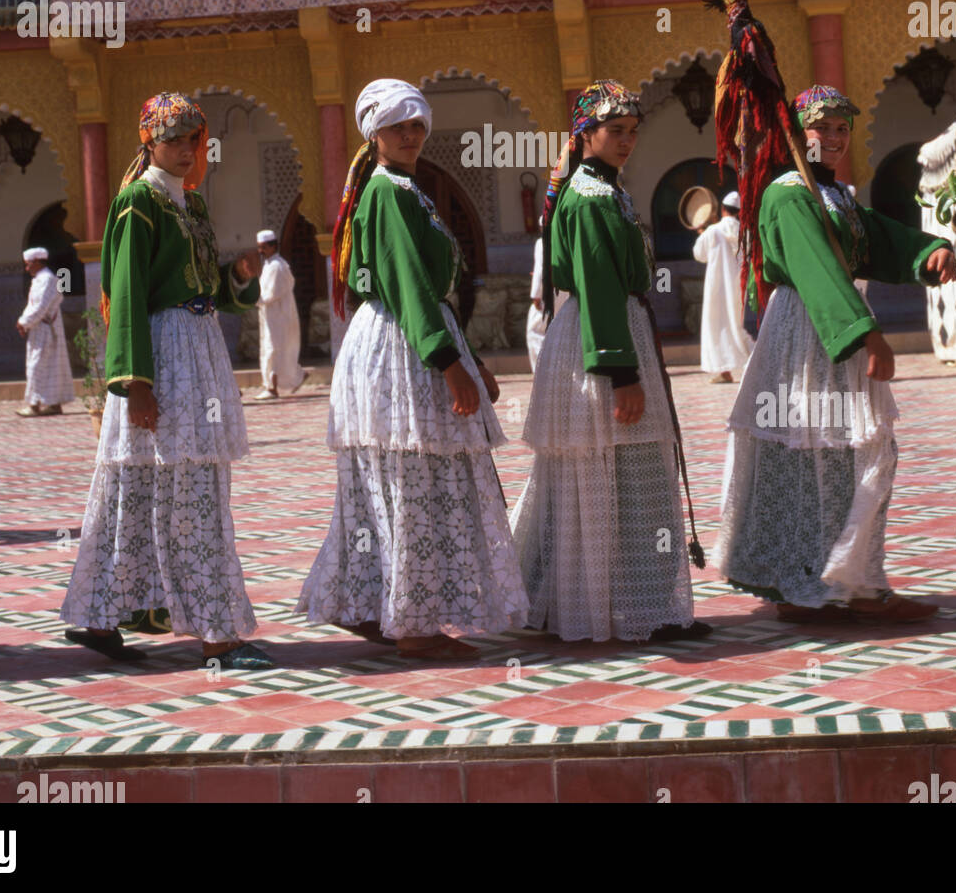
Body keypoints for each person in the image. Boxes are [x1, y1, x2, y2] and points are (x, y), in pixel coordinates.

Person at [298, 79, 528, 660]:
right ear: (374, 132)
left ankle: (375, 606)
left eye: (417, 124)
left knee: (395, 484)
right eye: (398, 125)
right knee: (411, 486)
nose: (410, 134)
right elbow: (408, 286)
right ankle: (415, 626)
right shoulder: (389, 192)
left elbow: (432, 293)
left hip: (409, 340)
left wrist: (467, 358)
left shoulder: (405, 188)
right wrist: (449, 364)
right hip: (402, 346)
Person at [713, 85, 956, 624]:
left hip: (836, 324)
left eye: (842, 128)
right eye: (821, 127)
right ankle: (808, 587)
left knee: (853, 456)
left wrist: (928, 249)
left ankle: (855, 581)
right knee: (815, 453)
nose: (833, 137)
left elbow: (874, 237)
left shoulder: (836, 195)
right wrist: (866, 334)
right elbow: (817, 271)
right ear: (797, 134)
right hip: (807, 331)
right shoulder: (786, 193)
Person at [61, 93, 274, 670]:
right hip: (165, 356)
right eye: (174, 138)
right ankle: (218, 636)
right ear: (149, 141)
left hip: (198, 349)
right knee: (187, 491)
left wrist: (238, 277)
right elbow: (127, 293)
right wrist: (135, 383)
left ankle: (103, 618)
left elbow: (209, 290)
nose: (185, 149)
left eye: (193, 139)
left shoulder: (192, 205)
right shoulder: (139, 201)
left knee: (152, 492)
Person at [511, 80, 708, 644]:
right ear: (586, 134)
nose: (626, 141)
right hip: (602, 342)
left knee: (617, 477)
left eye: (631, 132)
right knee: (619, 475)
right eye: (614, 131)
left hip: (608, 333)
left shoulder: (603, 189)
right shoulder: (592, 197)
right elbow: (598, 286)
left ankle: (604, 603)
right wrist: (622, 374)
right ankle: (617, 608)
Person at [693, 192, 754, 387]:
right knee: (739, 323)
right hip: (739, 284)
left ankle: (726, 370)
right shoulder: (744, 231)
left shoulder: (713, 231)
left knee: (717, 325)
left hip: (717, 287)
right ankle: (749, 364)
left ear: (722, 209)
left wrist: (702, 235)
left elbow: (699, 255)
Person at [16, 246, 72, 417]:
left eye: (29, 264)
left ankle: (35, 405)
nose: (27, 268)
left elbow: (40, 307)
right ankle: (52, 404)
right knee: (46, 366)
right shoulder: (39, 279)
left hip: (46, 329)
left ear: (38, 262)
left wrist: (23, 322)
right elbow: (33, 305)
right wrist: (25, 322)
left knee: (38, 366)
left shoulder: (47, 279)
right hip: (39, 328)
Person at [254, 229, 306, 399]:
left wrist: (252, 299)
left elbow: (271, 293)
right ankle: (291, 379)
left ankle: (272, 388)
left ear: (272, 246)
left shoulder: (277, 266)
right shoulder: (269, 264)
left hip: (278, 317)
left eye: (262, 247)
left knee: (273, 349)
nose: (260, 251)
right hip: (270, 316)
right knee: (271, 348)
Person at [526, 222, 549, 373]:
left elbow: (540, 269)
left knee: (535, 332)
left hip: (546, 295)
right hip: (565, 294)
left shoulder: (542, 243)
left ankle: (543, 370)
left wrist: (536, 295)